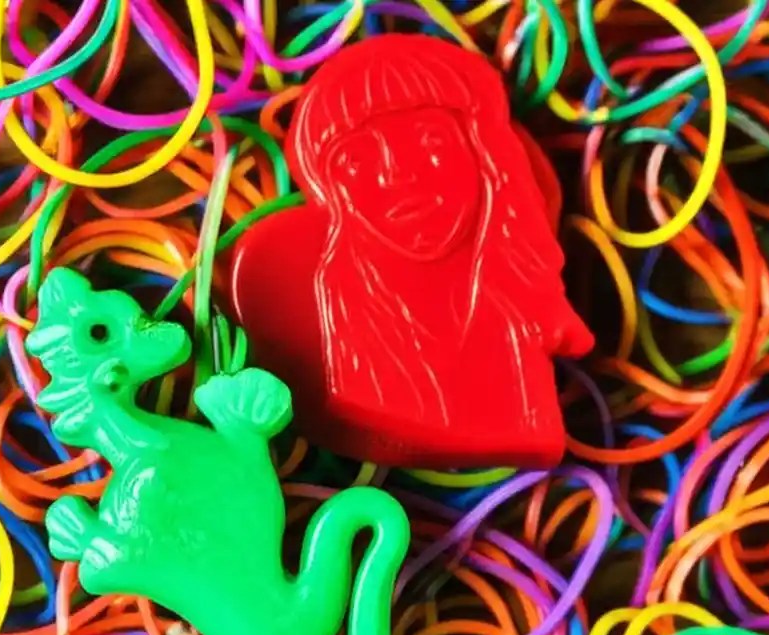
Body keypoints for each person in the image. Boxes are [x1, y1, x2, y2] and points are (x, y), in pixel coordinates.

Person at [228, 34, 593, 468]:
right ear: (333, 188)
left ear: (486, 158)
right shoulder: (339, 315)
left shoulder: (517, 310)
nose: (397, 176)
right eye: (357, 159)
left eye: (429, 142)